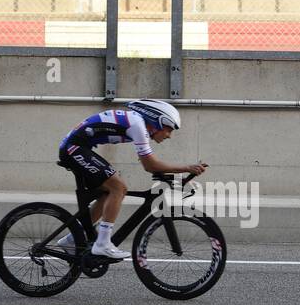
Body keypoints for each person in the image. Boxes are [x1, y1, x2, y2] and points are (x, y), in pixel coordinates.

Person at [56, 99, 207, 259]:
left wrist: (176, 175)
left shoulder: (136, 122)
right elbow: (150, 165)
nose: (169, 135)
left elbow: (150, 162)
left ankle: (72, 239)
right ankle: (102, 244)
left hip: (78, 148)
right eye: (169, 129)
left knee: (108, 192)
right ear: (157, 121)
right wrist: (186, 168)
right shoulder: (137, 125)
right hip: (74, 149)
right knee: (118, 188)